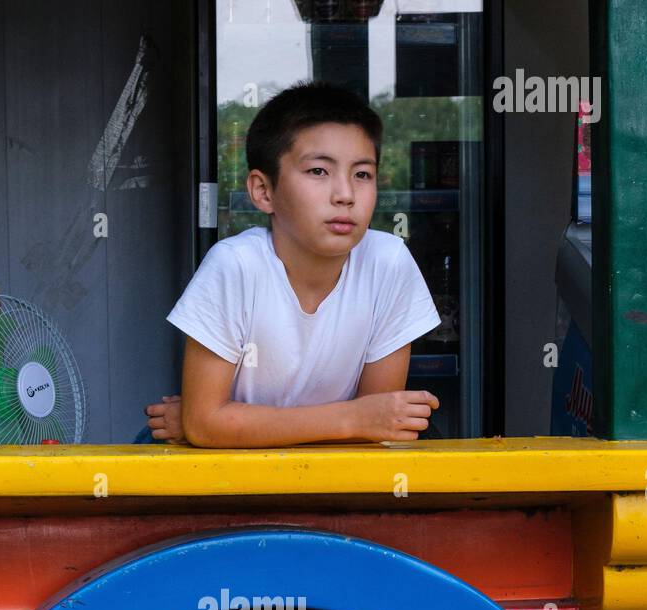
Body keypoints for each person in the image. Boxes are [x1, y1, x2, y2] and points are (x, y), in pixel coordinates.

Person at [143, 81, 442, 448]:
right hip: (219, 472)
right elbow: (205, 424)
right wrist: (350, 416)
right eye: (319, 171)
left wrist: (226, 422)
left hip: (322, 468)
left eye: (362, 174)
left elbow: (374, 433)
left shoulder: (388, 263)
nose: (345, 195)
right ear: (263, 191)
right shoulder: (235, 266)